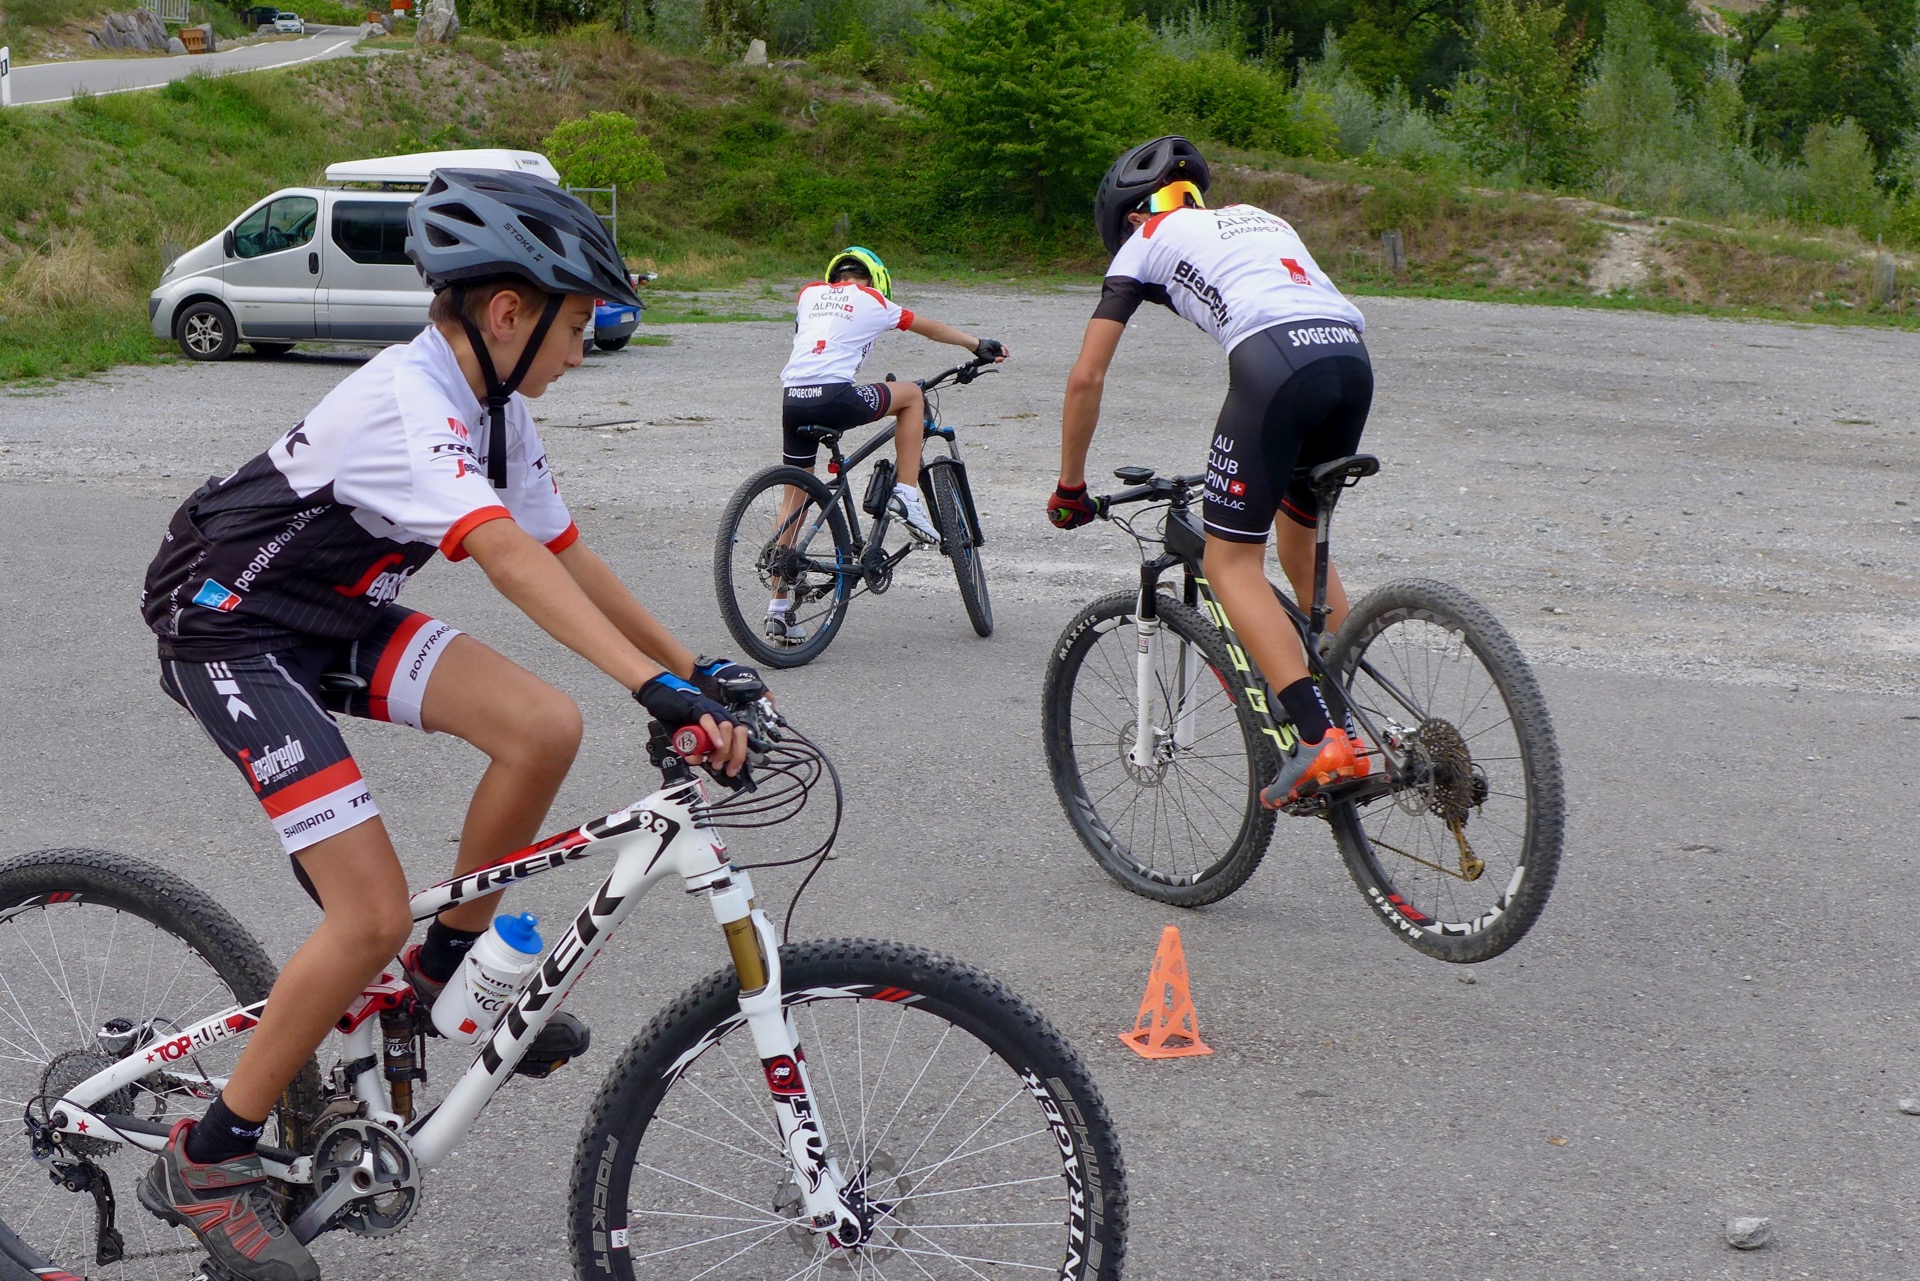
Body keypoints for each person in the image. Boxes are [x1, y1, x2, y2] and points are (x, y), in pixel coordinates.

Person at [134, 168, 760, 1281]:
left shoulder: (499, 409)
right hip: (227, 624)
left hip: (330, 612)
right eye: (579, 325)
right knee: (363, 910)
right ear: (508, 314)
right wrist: (650, 692)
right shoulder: (408, 398)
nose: (586, 350)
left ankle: (441, 981)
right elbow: (504, 555)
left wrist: (692, 667)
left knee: (541, 726)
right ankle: (210, 1155)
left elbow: (564, 548)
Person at [1048, 136, 1372, 808]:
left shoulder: (1146, 239)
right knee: (1298, 539)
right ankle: (1360, 716)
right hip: (1349, 359)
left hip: (1276, 362)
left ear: (1133, 218)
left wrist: (1071, 486)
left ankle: (1321, 738)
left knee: (1229, 562)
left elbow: (1086, 377)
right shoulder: (1260, 217)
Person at [769, 246, 1007, 645]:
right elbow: (927, 327)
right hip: (835, 397)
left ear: (834, 275)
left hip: (793, 400)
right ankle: (907, 496)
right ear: (877, 279)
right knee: (912, 395)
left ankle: (777, 611)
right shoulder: (873, 300)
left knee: (793, 501)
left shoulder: (808, 293)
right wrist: (976, 343)